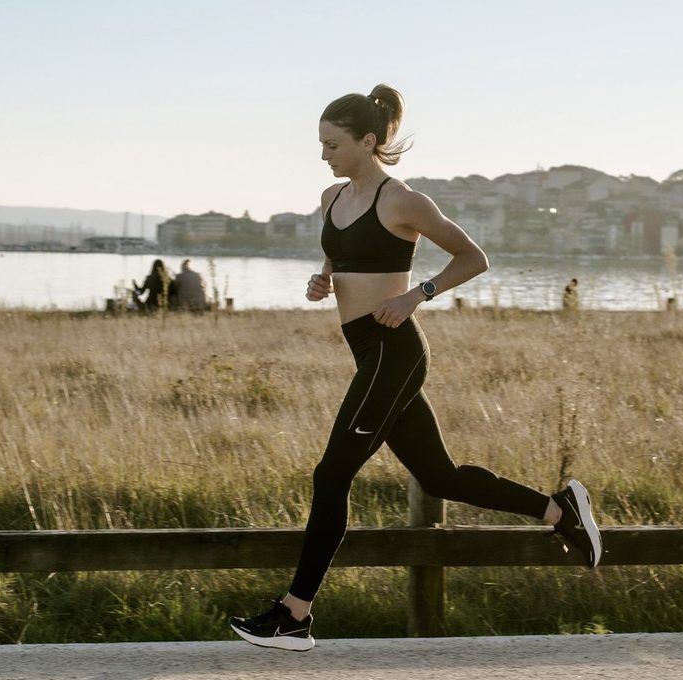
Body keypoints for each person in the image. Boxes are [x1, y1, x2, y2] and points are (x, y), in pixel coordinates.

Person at [228, 84, 602, 652]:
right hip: (368, 352)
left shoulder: (402, 200)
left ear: (368, 141)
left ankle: (294, 614)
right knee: (440, 477)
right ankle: (559, 510)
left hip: (392, 352)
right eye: (321, 143)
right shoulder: (332, 197)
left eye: (332, 143)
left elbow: (473, 257)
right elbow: (340, 252)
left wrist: (417, 293)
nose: (323, 154)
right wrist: (323, 278)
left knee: (330, 476)